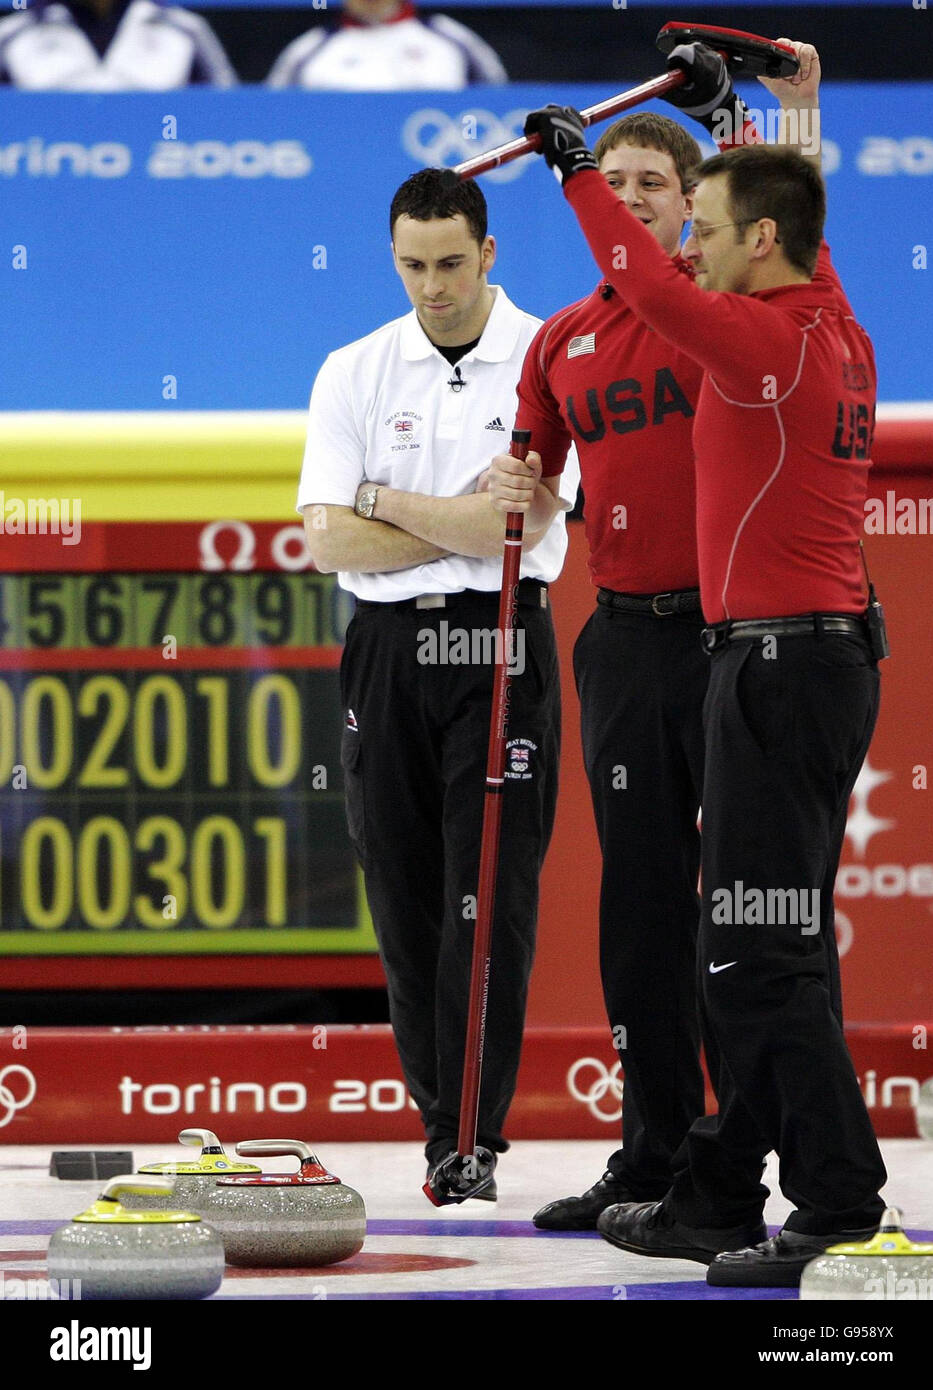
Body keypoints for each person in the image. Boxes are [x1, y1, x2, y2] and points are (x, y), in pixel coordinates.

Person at [500, 86, 887, 1285]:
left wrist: (573, 175)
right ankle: (730, 1185)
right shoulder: (832, 320)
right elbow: (774, 210)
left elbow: (664, 285)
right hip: (800, 660)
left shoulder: (760, 342)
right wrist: (748, 118)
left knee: (755, 952)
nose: (691, 249)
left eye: (707, 228)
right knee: (764, 945)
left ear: (754, 243)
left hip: (776, 664)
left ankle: (824, 1205)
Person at [298, 168, 578, 1195]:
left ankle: (476, 1136)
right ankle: (439, 1129)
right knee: (407, 899)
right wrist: (440, 515)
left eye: (451, 263)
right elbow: (326, 543)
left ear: (489, 253)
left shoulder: (548, 356)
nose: (433, 286)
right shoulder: (354, 368)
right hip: (385, 651)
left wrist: (378, 500)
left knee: (489, 894)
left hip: (502, 640)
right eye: (412, 265)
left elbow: (522, 525)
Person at [268, 0, 506, 91]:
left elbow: (499, 102)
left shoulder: (452, 39)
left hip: (438, 184)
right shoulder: (308, 51)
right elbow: (274, 118)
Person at [0, 0, 236, 89]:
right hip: (38, 190)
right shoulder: (11, 35)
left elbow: (225, 120)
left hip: (160, 188)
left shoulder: (185, 30)